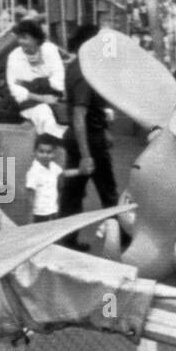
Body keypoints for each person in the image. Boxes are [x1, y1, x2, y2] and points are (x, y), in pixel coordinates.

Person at [60, 26, 118, 248]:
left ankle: (66, 240)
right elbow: (78, 115)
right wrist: (86, 154)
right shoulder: (86, 73)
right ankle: (119, 235)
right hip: (89, 142)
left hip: (79, 138)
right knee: (108, 192)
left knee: (72, 195)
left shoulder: (75, 66)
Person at [6, 19, 66, 138]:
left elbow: (58, 79)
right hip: (29, 101)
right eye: (19, 37)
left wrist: (30, 84)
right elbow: (15, 88)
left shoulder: (50, 49)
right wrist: (41, 96)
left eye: (24, 37)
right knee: (44, 116)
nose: (20, 41)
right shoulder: (14, 56)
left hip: (53, 95)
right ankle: (53, 147)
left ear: (36, 38)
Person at [24, 132, 85, 223]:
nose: (45, 155)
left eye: (49, 152)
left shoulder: (53, 166)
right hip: (40, 214)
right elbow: (30, 196)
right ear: (35, 152)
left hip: (53, 210)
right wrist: (30, 218)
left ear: (54, 153)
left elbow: (64, 173)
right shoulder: (33, 172)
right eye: (41, 151)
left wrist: (79, 171)